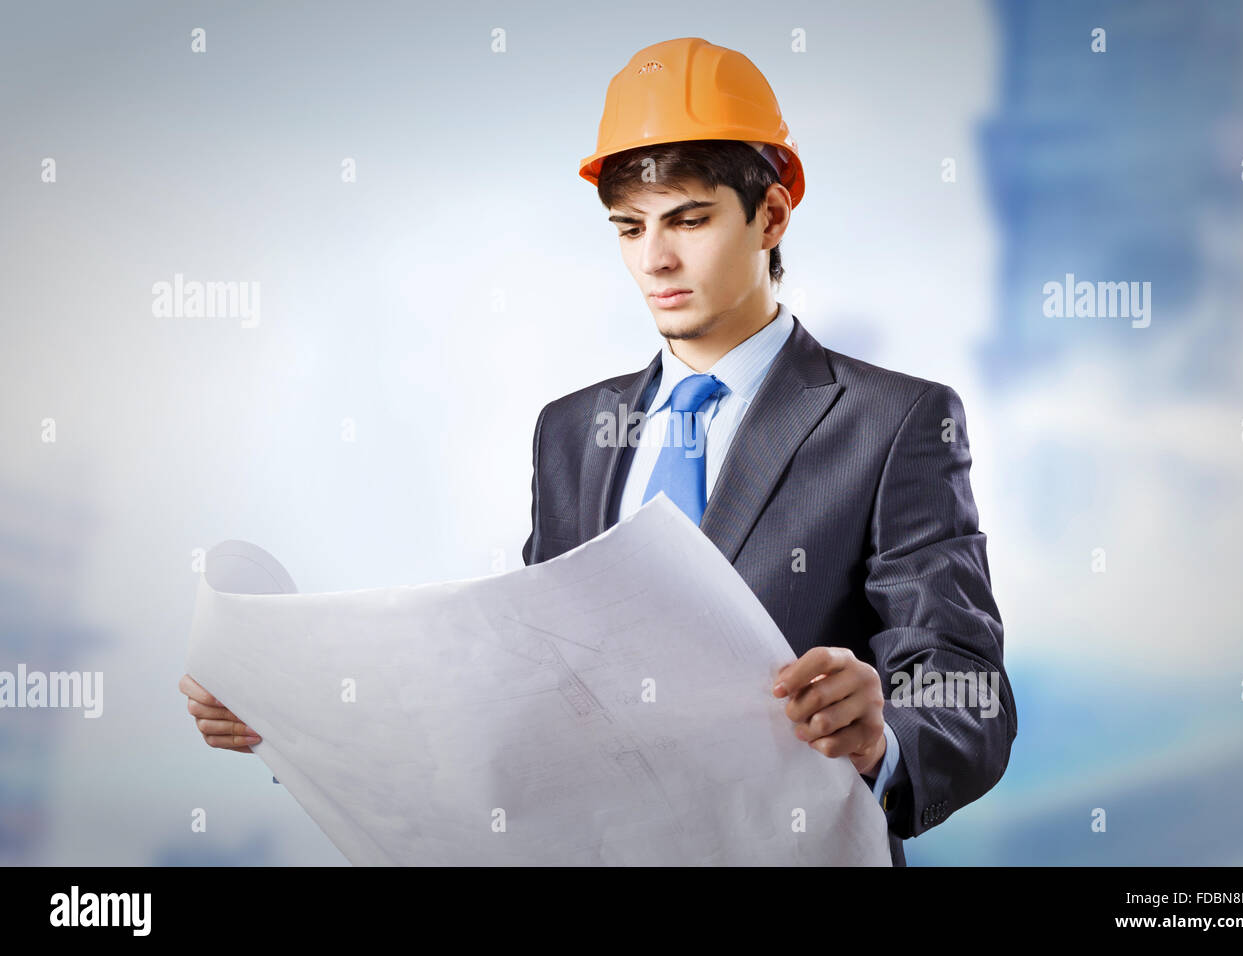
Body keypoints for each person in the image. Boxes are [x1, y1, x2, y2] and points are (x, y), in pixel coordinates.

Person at [180, 36, 1016, 868]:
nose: (655, 258)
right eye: (629, 227)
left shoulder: (894, 420)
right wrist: (297, 721)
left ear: (771, 215)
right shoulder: (572, 432)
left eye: (690, 220)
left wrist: (882, 739)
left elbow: (964, 685)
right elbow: (525, 688)